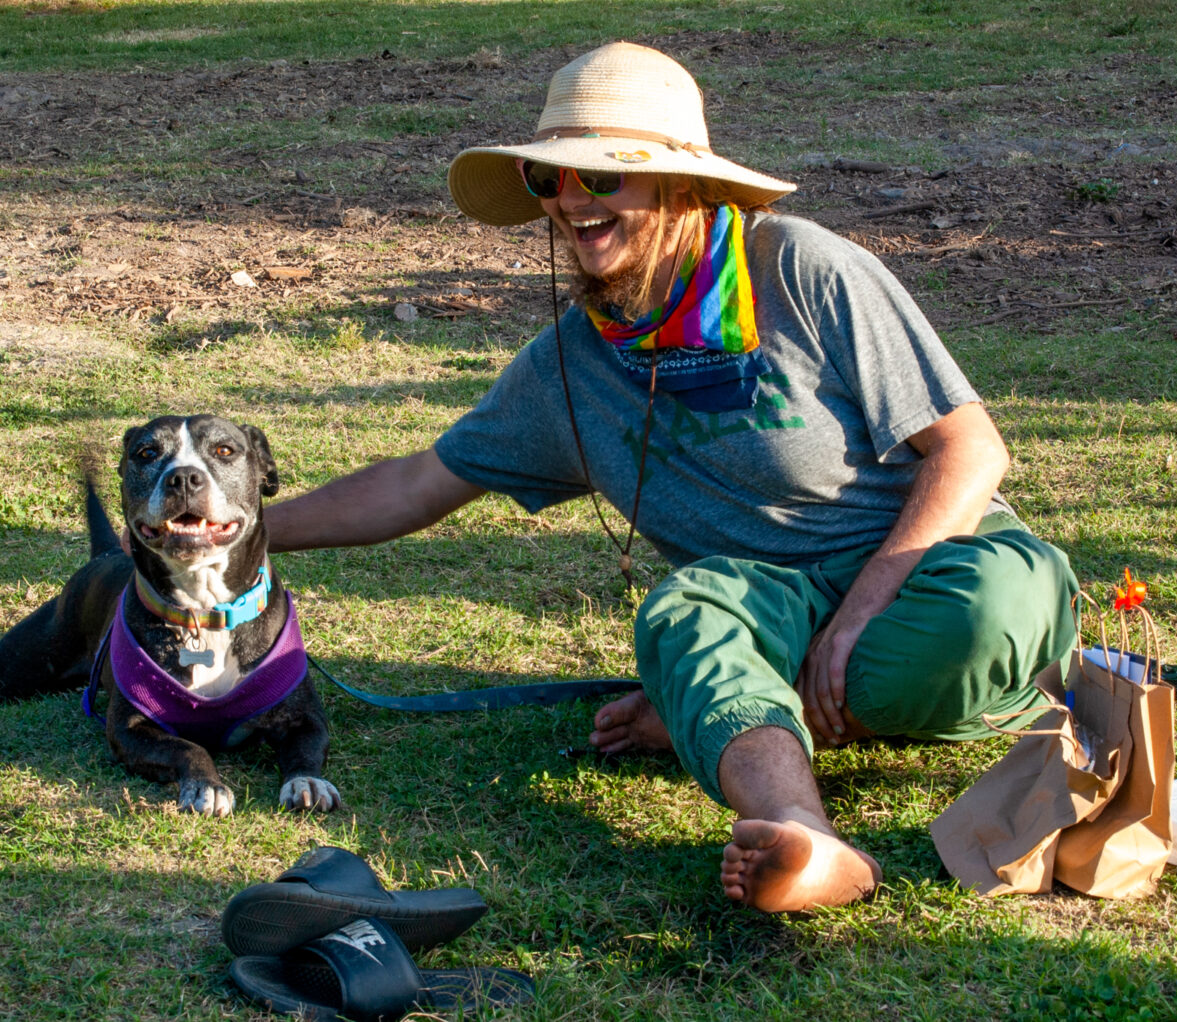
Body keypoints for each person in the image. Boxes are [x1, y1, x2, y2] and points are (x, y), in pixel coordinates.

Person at [265, 42, 1079, 912]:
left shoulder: (800, 269)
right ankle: (809, 840)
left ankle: (723, 711)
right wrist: (236, 532)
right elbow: (417, 483)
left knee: (1000, 602)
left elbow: (972, 452)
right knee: (684, 614)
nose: (573, 201)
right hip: (768, 602)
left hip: (931, 573)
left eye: (605, 178)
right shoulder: (569, 369)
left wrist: (862, 610)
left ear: (682, 186)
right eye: (551, 180)